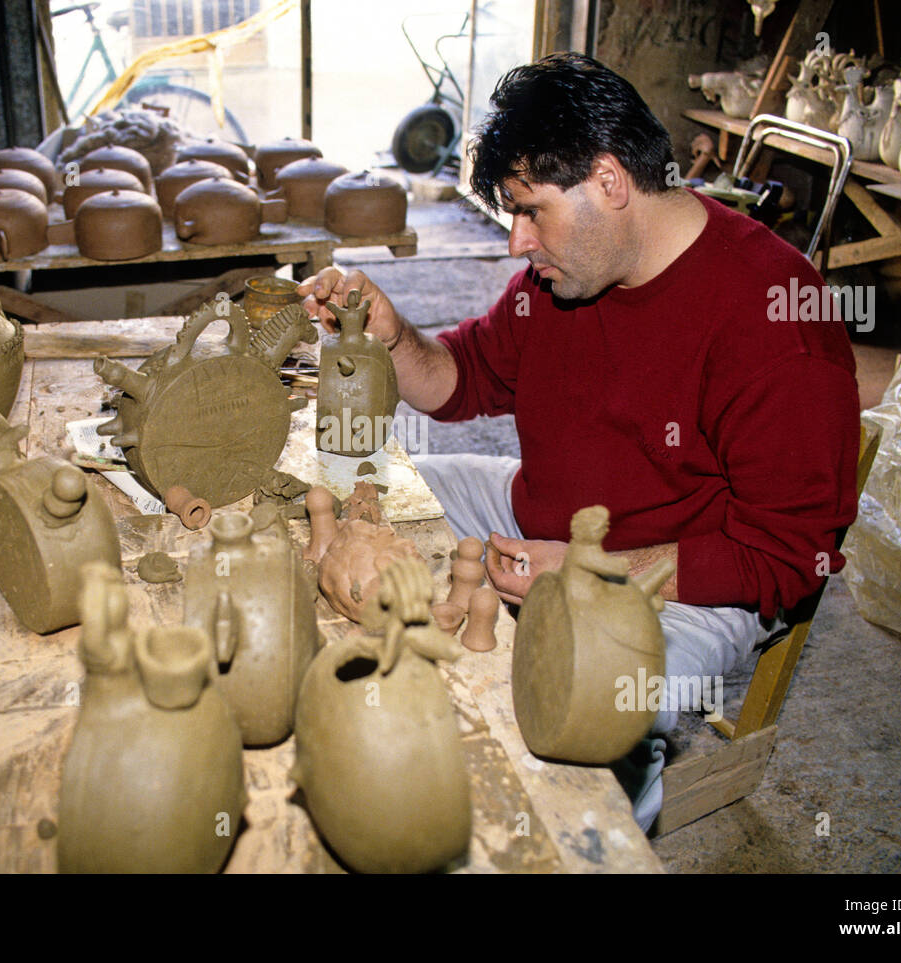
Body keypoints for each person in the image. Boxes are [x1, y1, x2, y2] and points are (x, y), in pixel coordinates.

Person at [299, 53, 860, 830]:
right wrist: (393, 337)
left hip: (685, 579)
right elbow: (461, 380)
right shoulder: (560, 279)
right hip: (537, 513)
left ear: (609, 181)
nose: (515, 242)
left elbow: (789, 557)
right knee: (380, 497)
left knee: (586, 720)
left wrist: (592, 572)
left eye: (531, 211)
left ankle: (614, 813)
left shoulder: (776, 318)